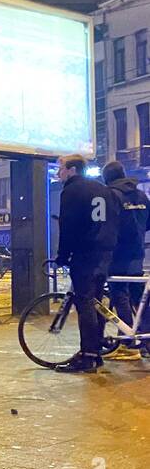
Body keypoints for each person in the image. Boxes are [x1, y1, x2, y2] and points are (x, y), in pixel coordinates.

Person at [55, 154, 118, 373]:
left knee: (85, 304)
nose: (58, 173)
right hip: (105, 253)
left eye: (60, 168)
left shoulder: (71, 191)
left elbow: (68, 226)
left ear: (72, 170)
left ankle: (88, 356)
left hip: (85, 254)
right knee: (97, 302)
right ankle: (95, 351)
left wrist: (62, 256)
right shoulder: (103, 189)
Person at [102, 160, 149, 359]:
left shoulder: (111, 195)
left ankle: (128, 345)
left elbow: (106, 225)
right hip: (137, 253)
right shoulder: (141, 195)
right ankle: (146, 342)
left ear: (107, 178)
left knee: (119, 293)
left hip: (117, 254)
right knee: (139, 299)